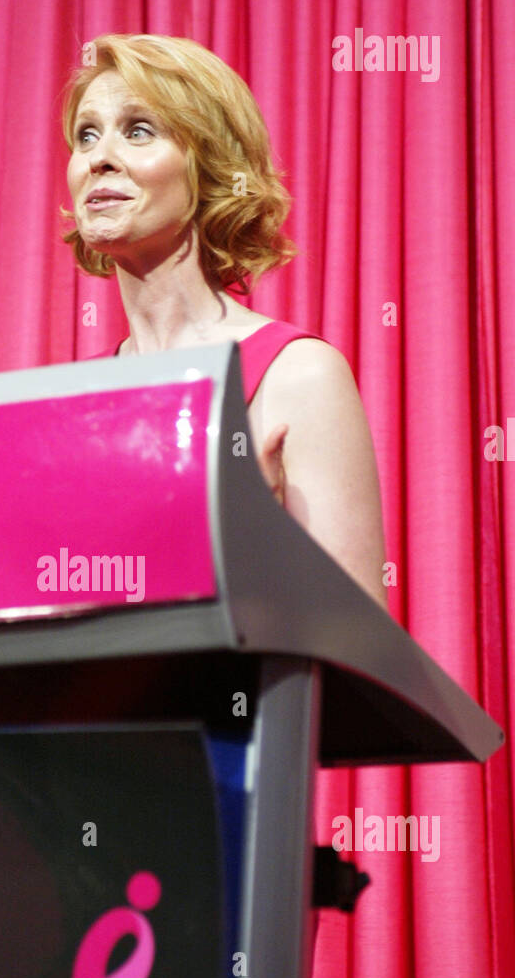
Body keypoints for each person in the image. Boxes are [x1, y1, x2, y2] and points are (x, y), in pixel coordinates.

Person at [61, 34, 388, 609]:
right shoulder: (70, 400)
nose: (98, 157)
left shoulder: (300, 376)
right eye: (87, 134)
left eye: (138, 130)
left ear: (209, 165)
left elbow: (357, 649)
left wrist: (252, 545)